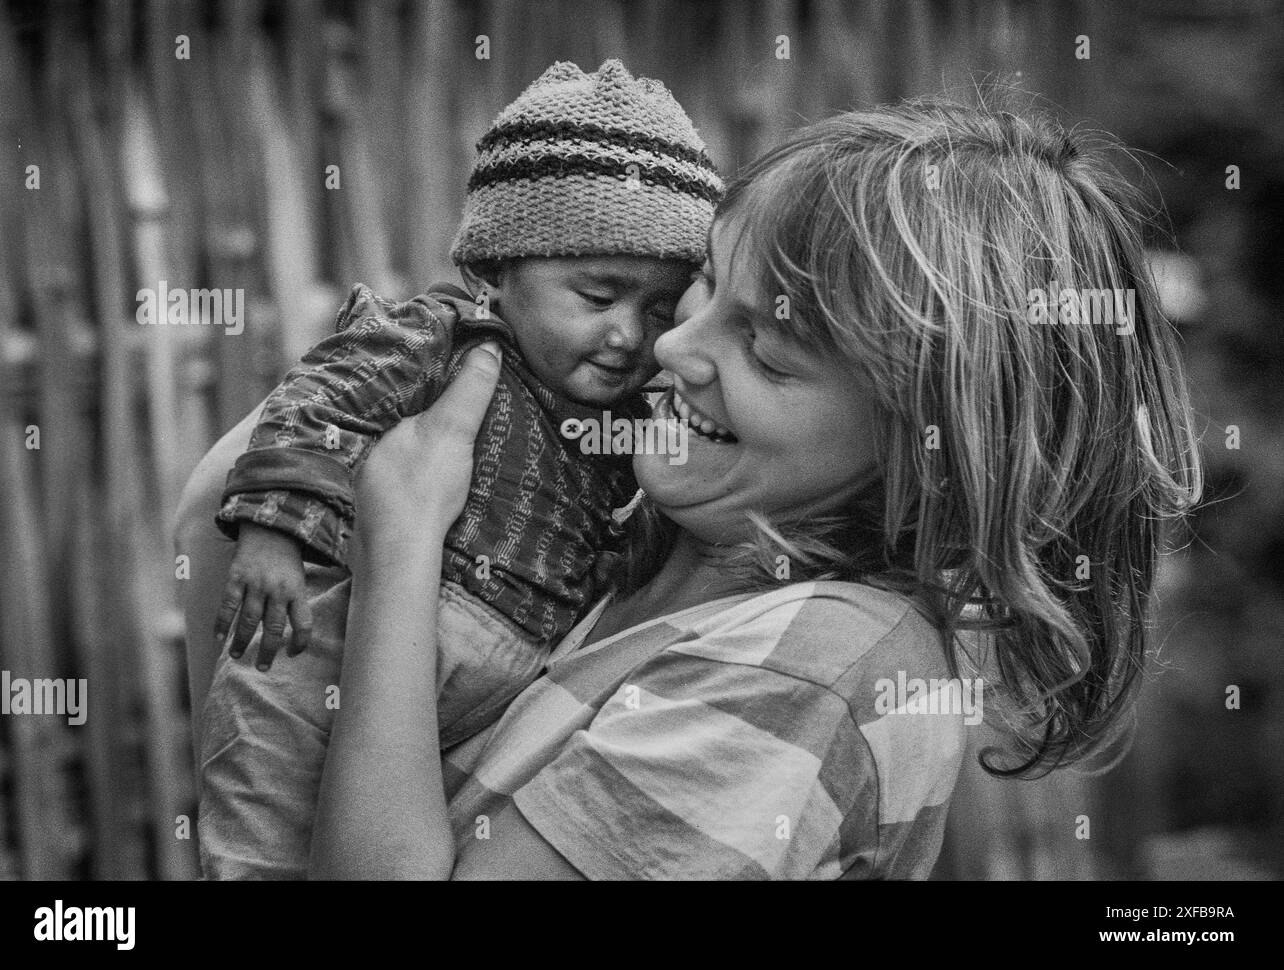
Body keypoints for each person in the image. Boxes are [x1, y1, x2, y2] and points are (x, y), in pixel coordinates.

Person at [184, 94, 1202, 880]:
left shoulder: (823, 668)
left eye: (765, 350)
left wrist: (400, 546)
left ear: (928, 448)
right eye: (704, 288)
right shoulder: (627, 536)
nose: (669, 343)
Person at [195, 59, 721, 879]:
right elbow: (320, 401)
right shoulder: (438, 340)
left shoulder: (635, 420)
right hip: (331, 642)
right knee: (265, 828)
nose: (628, 333)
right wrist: (270, 531)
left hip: (491, 674)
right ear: (494, 272)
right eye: (597, 295)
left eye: (659, 308)